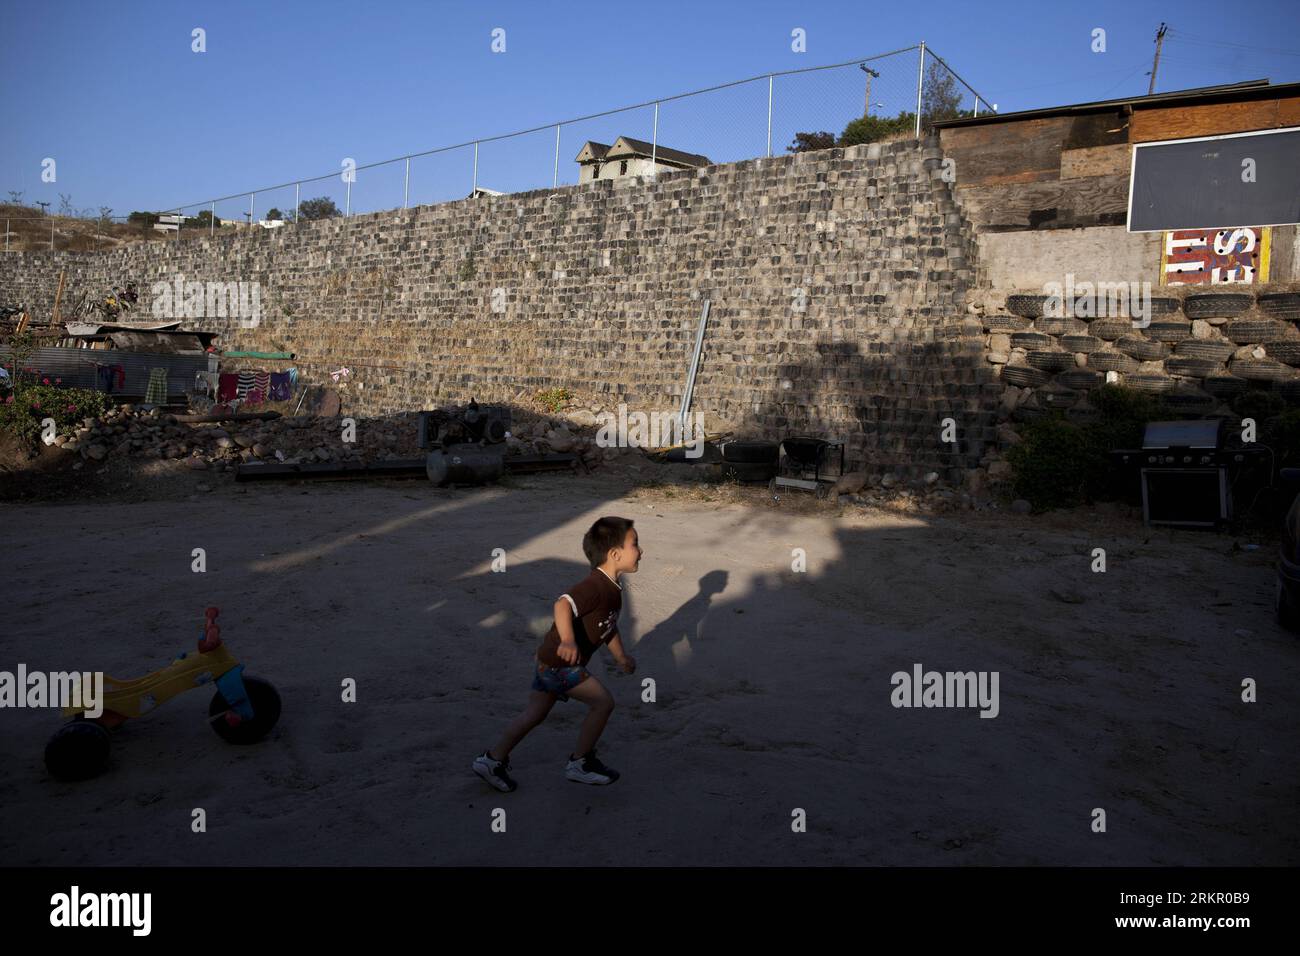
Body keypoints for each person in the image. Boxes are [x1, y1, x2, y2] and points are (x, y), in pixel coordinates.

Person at [473, 517, 641, 790]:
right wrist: (568, 641)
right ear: (614, 553)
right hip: (560, 665)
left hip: (547, 661)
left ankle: (491, 760)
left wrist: (620, 656)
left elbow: (608, 626)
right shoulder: (596, 586)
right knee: (603, 703)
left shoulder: (612, 588)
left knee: (535, 713)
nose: (641, 550)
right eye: (635, 544)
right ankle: (580, 762)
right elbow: (563, 604)